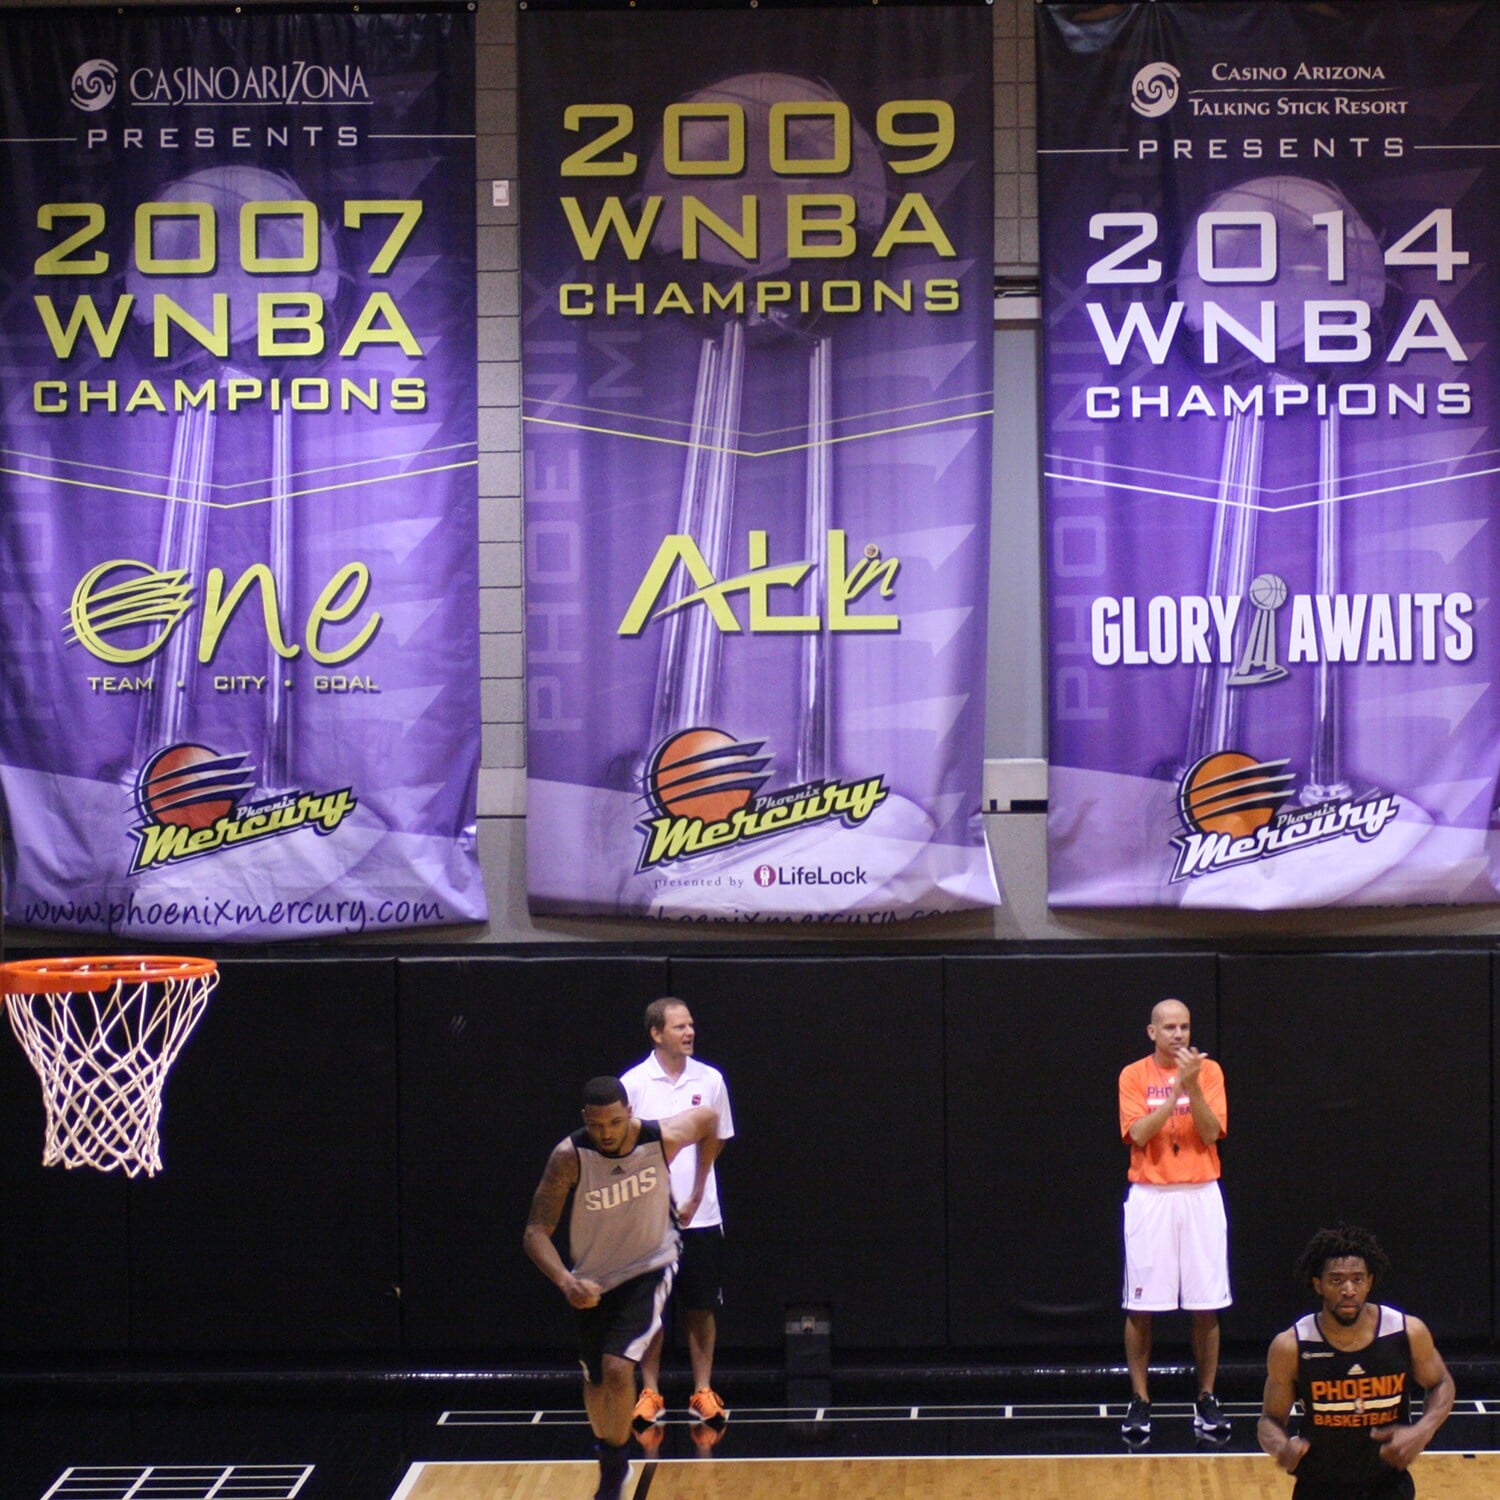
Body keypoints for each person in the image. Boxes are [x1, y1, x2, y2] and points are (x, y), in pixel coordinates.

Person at [523, 1076, 717, 1500]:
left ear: (629, 1112)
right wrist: (565, 1281)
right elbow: (535, 1232)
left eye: (613, 1122)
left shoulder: (659, 1137)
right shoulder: (569, 1156)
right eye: (596, 1125)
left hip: (652, 1263)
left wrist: (698, 1189)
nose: (605, 1133)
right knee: (595, 1381)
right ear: (584, 1120)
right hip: (593, 1277)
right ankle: (612, 1462)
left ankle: (616, 1462)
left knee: (616, 1367)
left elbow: (709, 1118)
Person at [1259, 1225, 1455, 1499]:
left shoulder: (1406, 1332)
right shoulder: (1291, 1345)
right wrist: (1281, 1447)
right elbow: (1269, 1420)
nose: (1348, 1290)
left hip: (1387, 1485)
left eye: (1357, 1279)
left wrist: (1423, 1430)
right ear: (1319, 1284)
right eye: (1337, 1280)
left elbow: (1441, 1382)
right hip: (1319, 1486)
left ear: (1370, 1282)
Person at [620, 997, 736, 1442]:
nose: (689, 1032)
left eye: (691, 1025)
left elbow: (718, 1139)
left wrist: (694, 1195)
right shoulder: (632, 1084)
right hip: (647, 1220)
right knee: (651, 1310)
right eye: (679, 1027)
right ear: (656, 1033)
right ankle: (650, 1393)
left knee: (700, 1306)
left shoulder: (710, 1080)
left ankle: (702, 1389)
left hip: (701, 1216)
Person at [1118, 997, 1231, 1443]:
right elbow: (1140, 1133)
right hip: (1151, 1195)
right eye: (1169, 1027)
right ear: (1152, 1032)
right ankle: (1141, 1401)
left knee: (1207, 1302)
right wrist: (1176, 1093)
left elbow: (1209, 1132)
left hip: (1201, 1193)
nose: (1179, 1035)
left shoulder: (1212, 1071)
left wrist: (1195, 1087)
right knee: (1142, 1304)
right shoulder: (1133, 1075)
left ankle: (1206, 1398)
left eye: (1184, 1026)